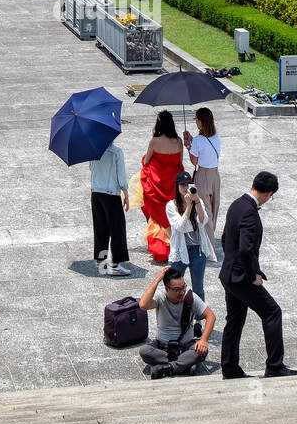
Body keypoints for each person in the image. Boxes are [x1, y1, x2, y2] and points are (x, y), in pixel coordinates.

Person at [219, 171, 297, 380]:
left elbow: (225, 238)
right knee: (272, 312)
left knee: (234, 320)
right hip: (241, 277)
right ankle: (274, 365)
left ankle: (230, 368)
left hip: (228, 275)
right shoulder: (250, 213)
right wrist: (252, 274)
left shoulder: (237, 204)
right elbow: (246, 250)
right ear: (269, 193)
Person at [138, 266, 216, 380]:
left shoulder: (190, 297)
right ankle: (184, 364)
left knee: (201, 352)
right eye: (176, 289)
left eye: (183, 287)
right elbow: (143, 305)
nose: (181, 292)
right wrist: (157, 279)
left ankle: (168, 367)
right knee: (144, 351)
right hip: (162, 347)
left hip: (186, 345)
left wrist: (203, 340)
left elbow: (211, 316)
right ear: (166, 288)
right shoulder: (160, 297)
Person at [141, 111, 184, 262]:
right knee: (173, 214)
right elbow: (180, 162)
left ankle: (160, 250)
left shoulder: (154, 141)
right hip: (173, 184)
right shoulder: (178, 141)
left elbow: (146, 161)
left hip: (157, 184)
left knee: (157, 215)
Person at [166, 171, 217, 301]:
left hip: (197, 251)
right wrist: (189, 207)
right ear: (177, 186)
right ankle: (175, 317)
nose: (185, 188)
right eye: (182, 185)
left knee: (198, 290)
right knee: (174, 289)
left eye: (188, 184)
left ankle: (199, 320)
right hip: (179, 251)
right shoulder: (171, 206)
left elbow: (203, 220)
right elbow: (181, 227)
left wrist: (197, 202)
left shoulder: (196, 202)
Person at [88, 141, 131, 276]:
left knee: (100, 229)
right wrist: (126, 194)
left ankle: (101, 260)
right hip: (111, 194)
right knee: (117, 229)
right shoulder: (116, 152)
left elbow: (91, 168)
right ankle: (115, 264)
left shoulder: (93, 151)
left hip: (96, 193)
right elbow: (121, 176)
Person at [184, 107, 222, 256]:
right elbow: (205, 148)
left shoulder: (198, 141)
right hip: (215, 175)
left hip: (203, 176)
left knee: (205, 212)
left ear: (200, 121)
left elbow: (194, 161)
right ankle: (210, 240)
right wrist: (193, 141)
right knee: (213, 209)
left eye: (196, 119)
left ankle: (210, 247)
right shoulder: (215, 137)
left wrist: (189, 145)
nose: (195, 121)